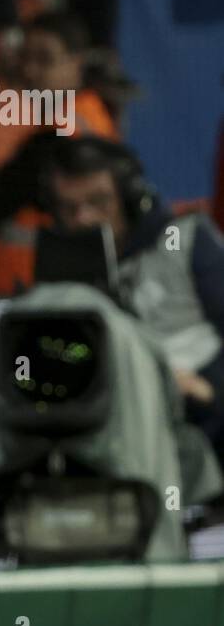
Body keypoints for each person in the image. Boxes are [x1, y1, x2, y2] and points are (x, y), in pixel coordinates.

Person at [42, 137, 224, 460]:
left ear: (130, 199)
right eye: (70, 209)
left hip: (200, 419)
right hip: (110, 429)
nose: (83, 218)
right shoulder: (60, 283)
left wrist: (211, 392)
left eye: (98, 202)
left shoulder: (185, 241)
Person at [0, 11, 119, 295]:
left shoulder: (61, 136)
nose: (31, 71)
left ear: (77, 63)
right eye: (25, 58)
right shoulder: (90, 119)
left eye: (45, 60)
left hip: (44, 295)